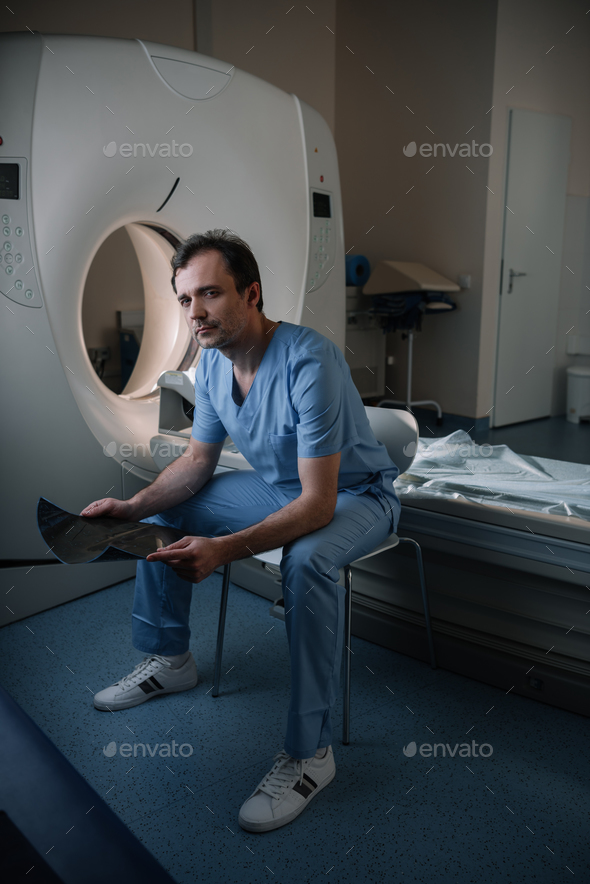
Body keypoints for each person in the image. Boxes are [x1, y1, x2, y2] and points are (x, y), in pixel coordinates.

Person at [81, 229, 401, 833]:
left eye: (210, 294)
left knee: (306, 562)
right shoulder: (211, 365)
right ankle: (170, 661)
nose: (195, 313)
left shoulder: (309, 359)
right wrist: (132, 506)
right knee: (161, 513)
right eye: (184, 300)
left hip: (359, 497)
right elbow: (198, 465)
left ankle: (311, 753)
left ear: (251, 294)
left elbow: (318, 503)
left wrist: (223, 550)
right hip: (286, 490)